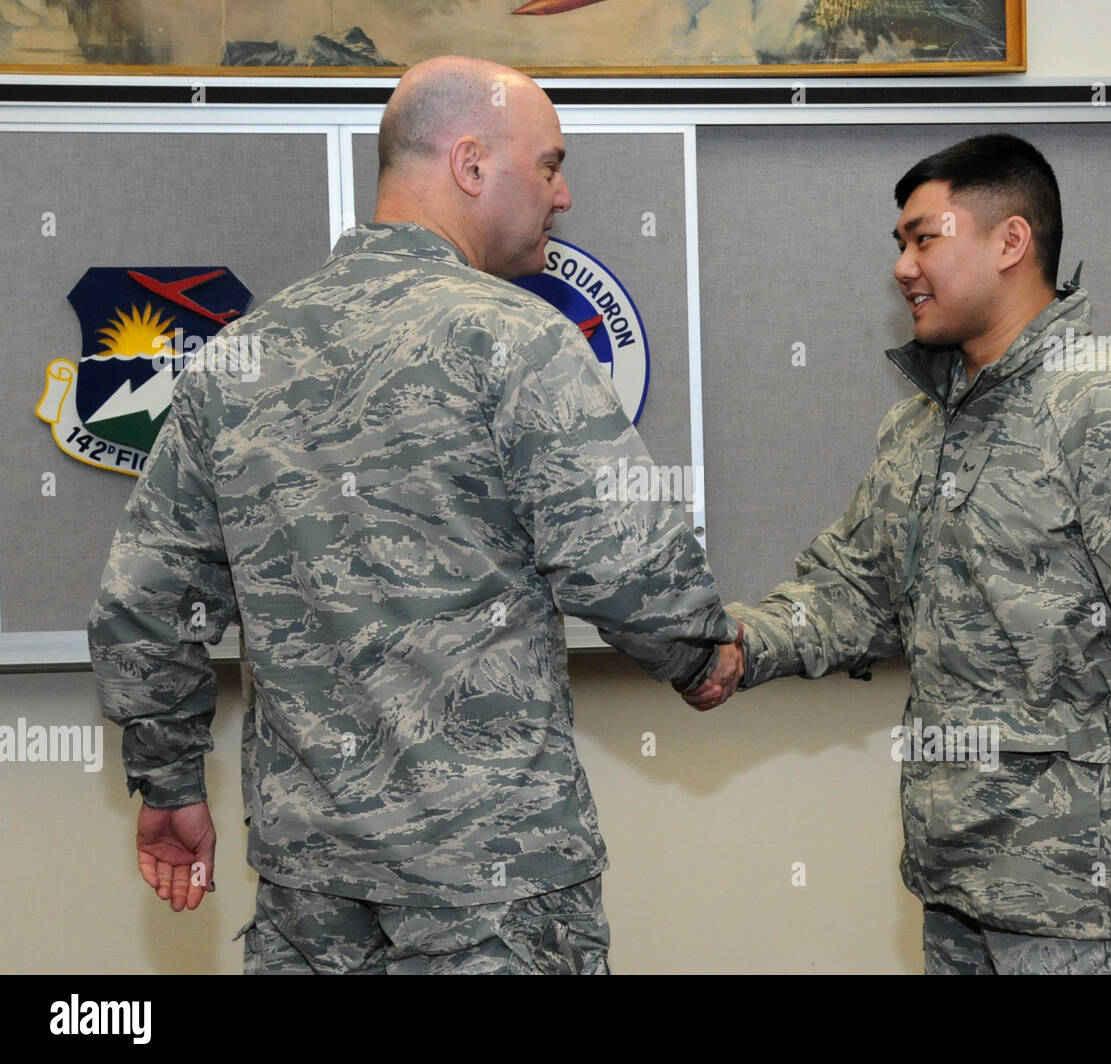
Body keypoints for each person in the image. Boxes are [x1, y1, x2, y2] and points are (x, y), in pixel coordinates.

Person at [88, 55, 742, 975]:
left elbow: (146, 606)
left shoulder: (239, 358)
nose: (564, 196)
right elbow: (630, 567)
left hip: (310, 888)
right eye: (550, 164)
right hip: (493, 883)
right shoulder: (513, 338)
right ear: (471, 165)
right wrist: (703, 654)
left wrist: (166, 779)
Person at [685, 134, 1111, 975]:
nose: (903, 267)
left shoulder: (1109, 411)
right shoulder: (920, 425)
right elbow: (855, 587)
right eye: (901, 244)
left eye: (925, 238)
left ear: (1010, 242)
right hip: (954, 880)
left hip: (1078, 902)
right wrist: (738, 646)